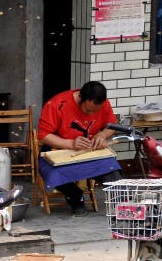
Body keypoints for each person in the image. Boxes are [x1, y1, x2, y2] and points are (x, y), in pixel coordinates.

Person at [38, 81, 123, 216]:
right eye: (88, 110)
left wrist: (101, 135)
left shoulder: (104, 103)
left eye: (95, 111)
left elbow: (111, 127)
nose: (91, 114)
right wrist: (71, 144)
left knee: (112, 170)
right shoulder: (57, 104)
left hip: (89, 149)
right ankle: (76, 197)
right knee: (54, 172)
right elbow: (43, 136)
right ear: (80, 99)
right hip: (60, 149)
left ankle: (123, 206)